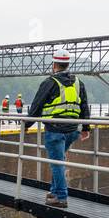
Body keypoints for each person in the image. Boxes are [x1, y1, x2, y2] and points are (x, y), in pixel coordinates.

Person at [28, 48, 91, 208]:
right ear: (67, 64)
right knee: (59, 160)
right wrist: (85, 127)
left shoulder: (49, 82)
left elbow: (37, 105)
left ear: (54, 64)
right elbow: (84, 105)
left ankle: (61, 197)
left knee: (57, 163)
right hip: (72, 130)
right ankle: (55, 191)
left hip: (55, 130)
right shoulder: (78, 82)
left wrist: (26, 124)